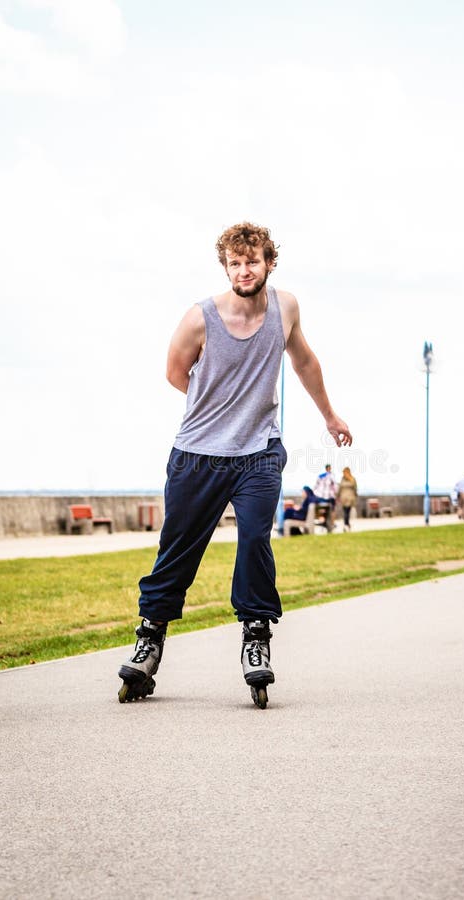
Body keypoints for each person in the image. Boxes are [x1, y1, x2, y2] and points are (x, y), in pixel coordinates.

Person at [117, 222, 352, 706]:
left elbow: (304, 362)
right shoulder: (199, 318)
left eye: (252, 261)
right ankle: (150, 639)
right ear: (225, 268)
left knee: (255, 539)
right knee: (177, 550)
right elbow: (174, 373)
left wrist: (330, 416)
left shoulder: (286, 308)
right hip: (197, 455)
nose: (244, 271)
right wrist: (219, 408)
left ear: (269, 262)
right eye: (235, 263)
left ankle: (256, 635)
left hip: (259, 452)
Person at [337, 466, 358, 531]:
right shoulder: (348, 479)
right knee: (346, 512)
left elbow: (340, 488)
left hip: (347, 498)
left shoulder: (351, 479)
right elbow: (355, 489)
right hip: (345, 498)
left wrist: (338, 496)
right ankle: (347, 524)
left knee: (346, 512)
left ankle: (346, 524)